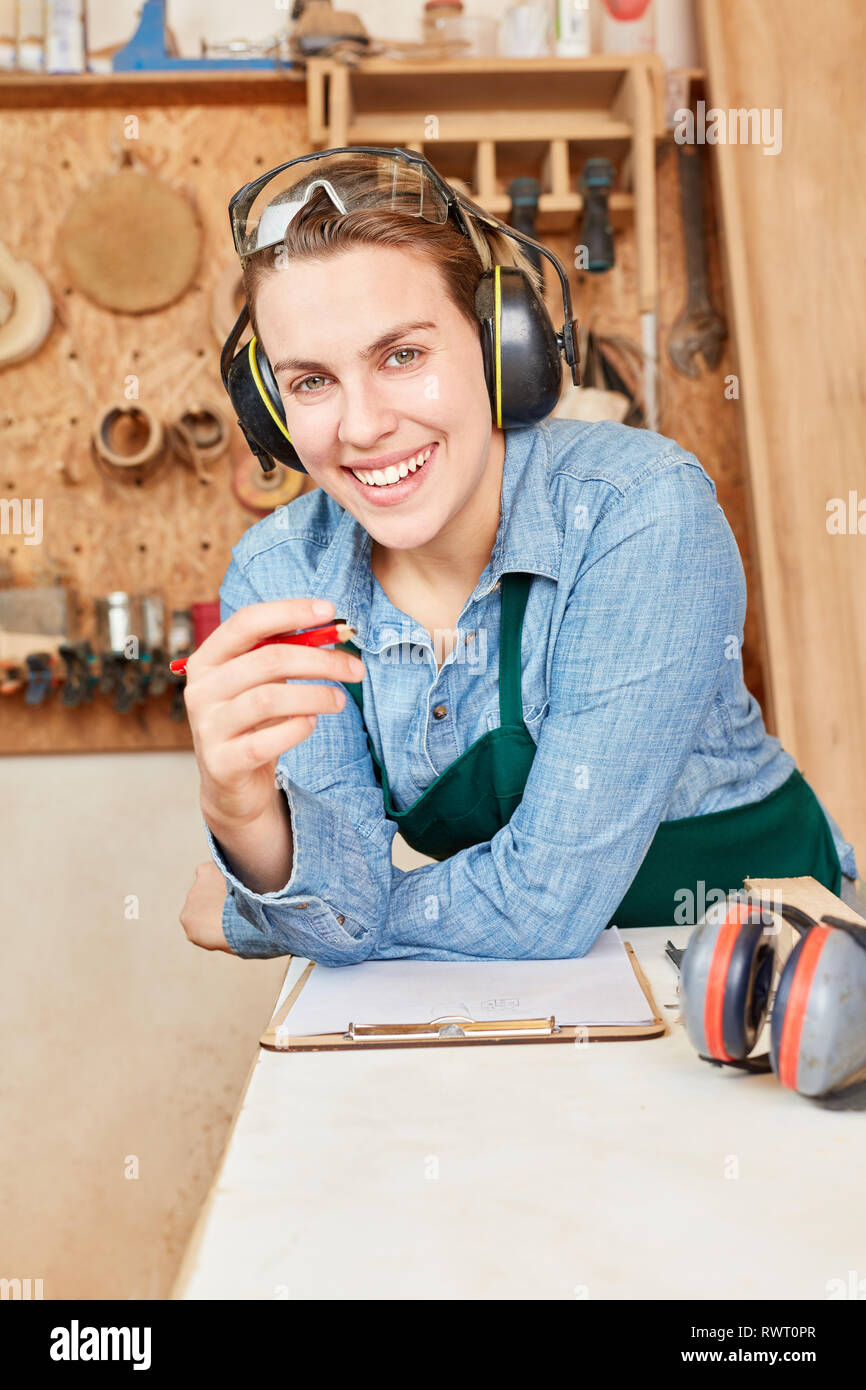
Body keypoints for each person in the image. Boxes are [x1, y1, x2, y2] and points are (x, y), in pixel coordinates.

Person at [179, 148, 860, 963]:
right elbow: (342, 901)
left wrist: (261, 912)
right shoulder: (281, 573)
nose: (360, 428)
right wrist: (241, 818)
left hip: (762, 971)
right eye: (311, 382)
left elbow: (539, 907)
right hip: (514, 993)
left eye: (403, 355)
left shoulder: (638, 510)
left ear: (503, 346)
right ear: (269, 405)